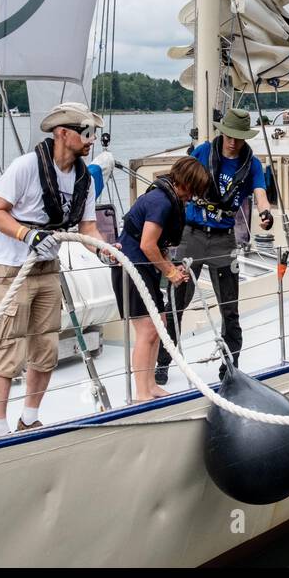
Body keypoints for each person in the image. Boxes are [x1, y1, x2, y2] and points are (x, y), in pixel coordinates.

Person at [0, 102, 104, 436]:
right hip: (11, 268)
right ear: (63, 134)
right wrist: (28, 234)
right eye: (87, 132)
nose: (92, 140)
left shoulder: (84, 179)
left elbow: (88, 227)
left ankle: (29, 419)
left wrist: (104, 249)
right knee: (7, 349)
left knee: (45, 349)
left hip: (48, 267)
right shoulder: (25, 167)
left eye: (94, 133)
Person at [176, 107, 275, 376]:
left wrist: (266, 213)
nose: (232, 142)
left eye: (238, 137)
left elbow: (260, 193)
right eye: (229, 135)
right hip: (192, 234)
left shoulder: (251, 164)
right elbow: (180, 181)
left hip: (223, 239)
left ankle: (231, 364)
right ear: (223, 132)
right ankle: (164, 360)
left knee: (229, 308)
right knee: (176, 301)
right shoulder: (204, 151)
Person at [109, 157, 211, 400]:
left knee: (160, 325)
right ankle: (142, 392)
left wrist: (170, 265)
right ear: (185, 183)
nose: (193, 196)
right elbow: (147, 245)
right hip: (131, 268)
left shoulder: (171, 199)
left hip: (145, 269)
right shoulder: (160, 202)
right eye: (193, 190)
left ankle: (151, 384)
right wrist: (170, 272)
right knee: (147, 330)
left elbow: (160, 245)